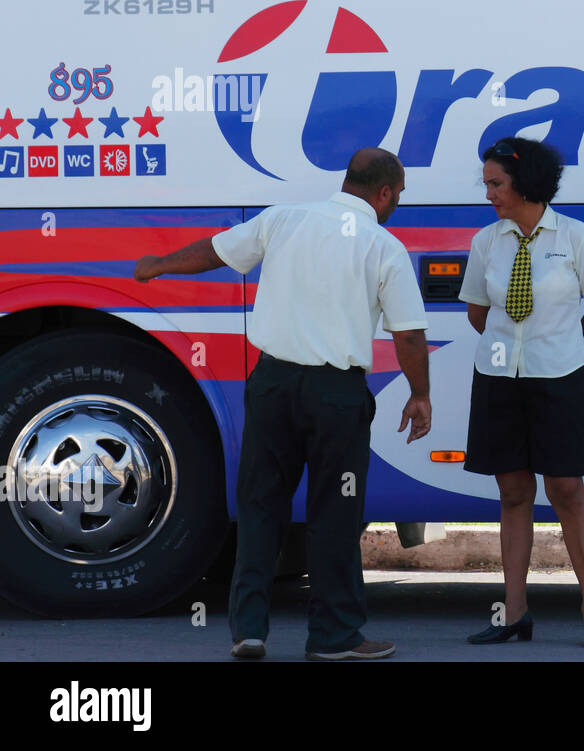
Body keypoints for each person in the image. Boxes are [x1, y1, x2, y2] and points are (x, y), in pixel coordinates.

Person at [133, 147, 431, 661]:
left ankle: (249, 630)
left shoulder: (284, 218)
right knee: (334, 515)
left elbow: (216, 251)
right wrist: (420, 395)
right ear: (384, 192)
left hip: (271, 386)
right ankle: (335, 637)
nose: (396, 204)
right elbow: (408, 336)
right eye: (398, 196)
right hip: (336, 397)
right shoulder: (383, 246)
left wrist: (159, 265)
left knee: (259, 507)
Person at [457, 136, 584, 648]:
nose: (489, 194)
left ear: (525, 183)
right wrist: (513, 352)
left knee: (567, 490)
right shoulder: (487, 241)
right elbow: (478, 312)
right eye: (486, 184)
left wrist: (560, 350)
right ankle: (515, 613)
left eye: (496, 183)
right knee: (513, 492)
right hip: (500, 381)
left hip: (559, 378)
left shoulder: (575, 237)